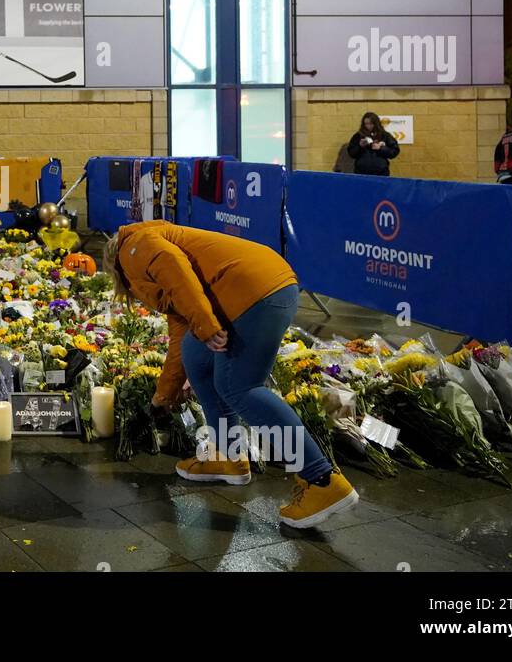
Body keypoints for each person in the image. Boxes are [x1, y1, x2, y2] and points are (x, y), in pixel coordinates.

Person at [102, 221, 359, 528]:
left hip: (254, 292)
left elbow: (174, 268)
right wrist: (162, 398)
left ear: (114, 267)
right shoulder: (150, 243)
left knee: (239, 387)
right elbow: (179, 334)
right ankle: (228, 456)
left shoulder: (134, 246)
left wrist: (207, 326)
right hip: (259, 287)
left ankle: (322, 480)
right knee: (196, 359)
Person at [345, 112, 400, 176]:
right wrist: (360, 146)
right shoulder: (358, 136)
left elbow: (395, 151)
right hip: (361, 173)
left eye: (370, 124)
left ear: (376, 123)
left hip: (381, 173)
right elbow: (351, 153)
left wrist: (381, 148)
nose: (368, 126)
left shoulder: (385, 135)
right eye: (366, 124)